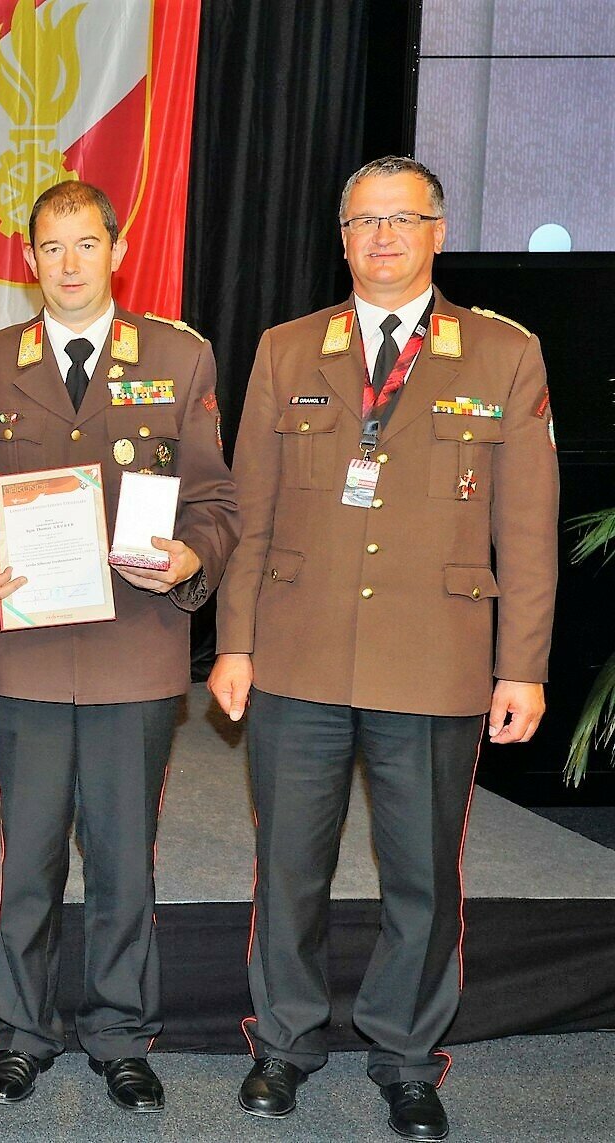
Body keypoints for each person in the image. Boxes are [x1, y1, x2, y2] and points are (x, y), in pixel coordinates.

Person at [209, 156, 558, 1141]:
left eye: (403, 219)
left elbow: (527, 527)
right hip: (297, 652)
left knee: (421, 877)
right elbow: (250, 511)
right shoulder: (286, 350)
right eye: (364, 221)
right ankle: (283, 1045)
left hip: (433, 658)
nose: (383, 237)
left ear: (438, 232)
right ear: (342, 238)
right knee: (288, 868)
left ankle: (405, 1059)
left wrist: (522, 664)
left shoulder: (502, 353)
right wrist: (233, 643)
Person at [0, 180, 238, 1114]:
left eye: (87, 244)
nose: (70, 263)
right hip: (30, 656)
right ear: (28, 259)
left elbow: (215, 501)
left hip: (135, 648)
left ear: (117, 250)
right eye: (52, 246)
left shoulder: (178, 357)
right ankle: (22, 1033)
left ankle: (120, 1035)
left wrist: (192, 555)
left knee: (124, 859)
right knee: (29, 859)